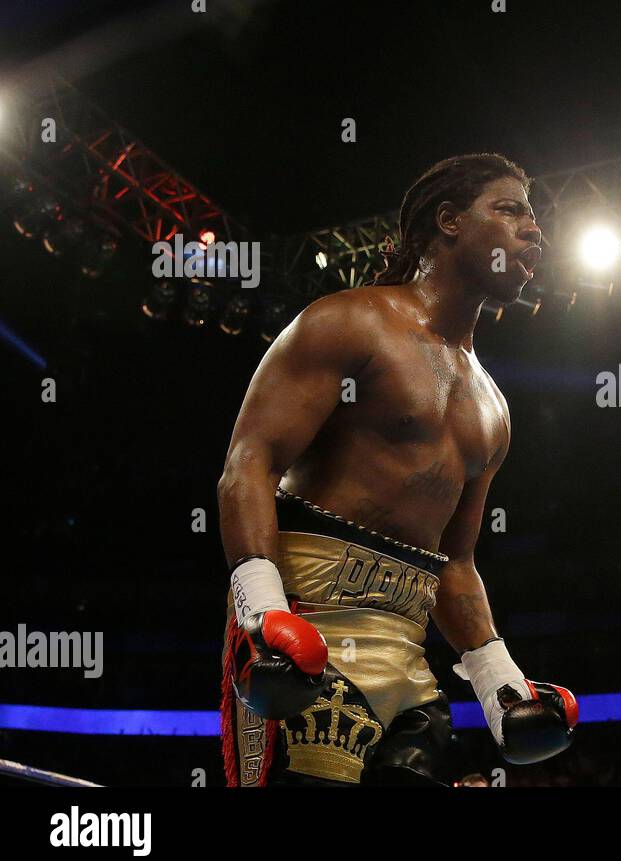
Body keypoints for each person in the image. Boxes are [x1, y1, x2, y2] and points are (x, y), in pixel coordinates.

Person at [217, 153, 577, 786]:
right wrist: (264, 614)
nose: (534, 230)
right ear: (449, 222)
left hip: (409, 661)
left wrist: (501, 686)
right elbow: (249, 464)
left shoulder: (493, 406)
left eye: (534, 215)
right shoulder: (349, 322)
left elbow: (456, 564)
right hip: (308, 628)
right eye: (510, 209)